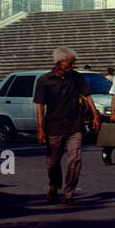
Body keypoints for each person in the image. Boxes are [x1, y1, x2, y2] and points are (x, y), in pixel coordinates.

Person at [35, 46, 97, 204]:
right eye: (70, 63)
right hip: (53, 127)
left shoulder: (76, 77)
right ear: (58, 63)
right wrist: (40, 129)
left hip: (74, 125)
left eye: (74, 63)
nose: (73, 66)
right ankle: (54, 185)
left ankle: (69, 194)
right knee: (53, 163)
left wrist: (95, 115)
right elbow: (40, 106)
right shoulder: (44, 80)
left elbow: (87, 96)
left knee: (75, 160)